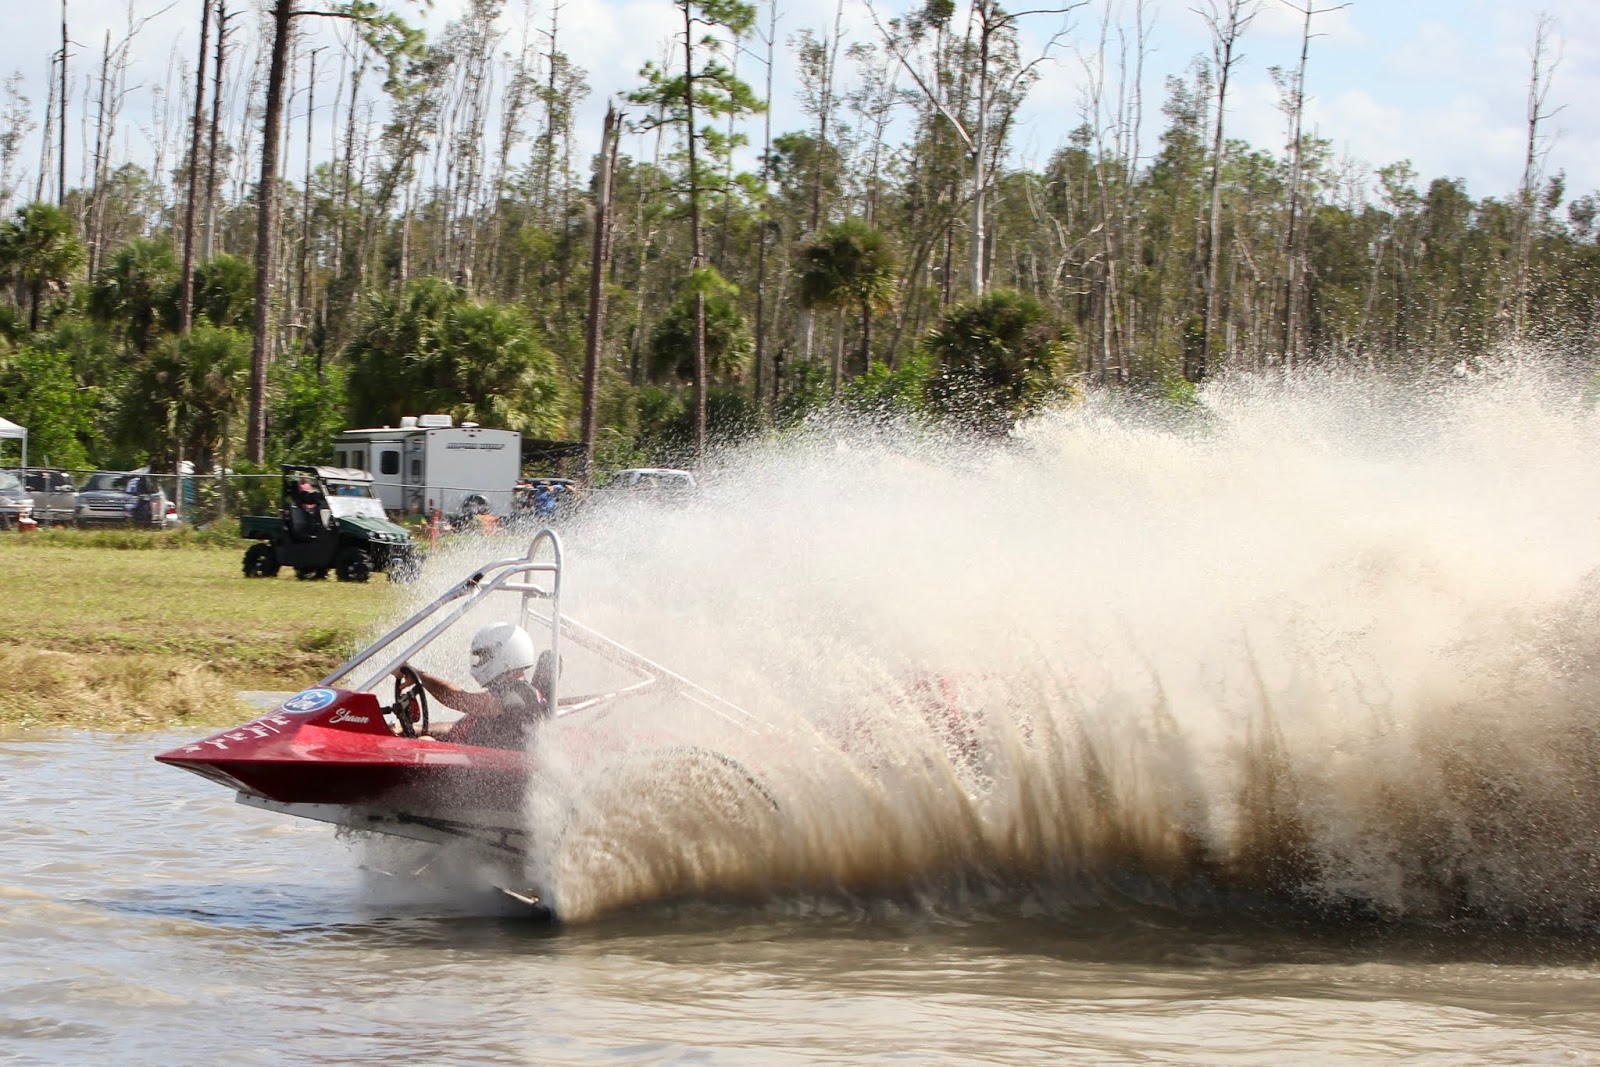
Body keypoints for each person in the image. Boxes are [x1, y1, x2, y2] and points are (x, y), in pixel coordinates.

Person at [400, 622, 553, 749]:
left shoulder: (518, 694)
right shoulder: (506, 694)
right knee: (422, 739)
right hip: (473, 765)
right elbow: (457, 730)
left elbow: (457, 698)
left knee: (425, 743)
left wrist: (419, 675)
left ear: (505, 655)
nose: (479, 663)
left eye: (483, 657)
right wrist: (414, 729)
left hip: (492, 773)